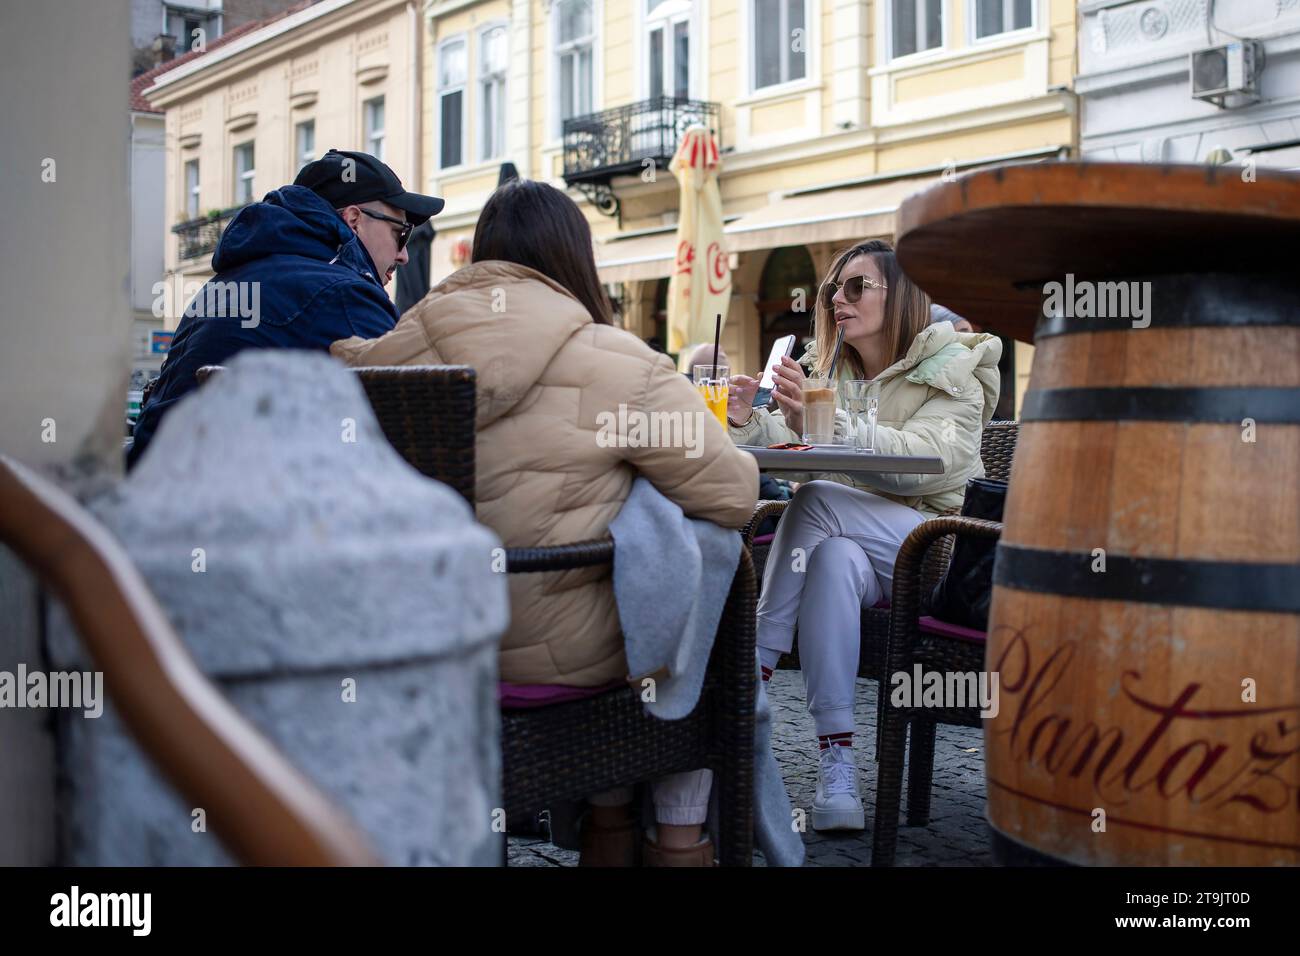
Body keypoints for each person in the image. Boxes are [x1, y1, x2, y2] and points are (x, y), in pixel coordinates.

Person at [331, 180, 759, 866]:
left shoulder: (383, 355)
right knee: (695, 551)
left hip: (416, 651)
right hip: (566, 662)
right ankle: (667, 836)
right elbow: (734, 497)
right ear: (575, 260)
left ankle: (608, 824)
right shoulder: (622, 364)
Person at [726, 239, 1001, 832]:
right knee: (832, 560)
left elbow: (929, 461)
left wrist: (825, 422)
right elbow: (791, 445)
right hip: (859, 550)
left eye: (856, 287)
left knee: (819, 499)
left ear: (898, 295)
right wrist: (751, 417)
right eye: (833, 290)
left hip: (932, 546)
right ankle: (838, 763)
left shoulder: (954, 366)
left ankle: (754, 675)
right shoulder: (837, 372)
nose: (838, 301)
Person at [128, 149, 444, 468]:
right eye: (400, 234)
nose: (403, 255)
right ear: (354, 221)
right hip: (230, 503)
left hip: (153, 484)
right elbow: (416, 426)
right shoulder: (344, 294)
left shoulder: (225, 283)